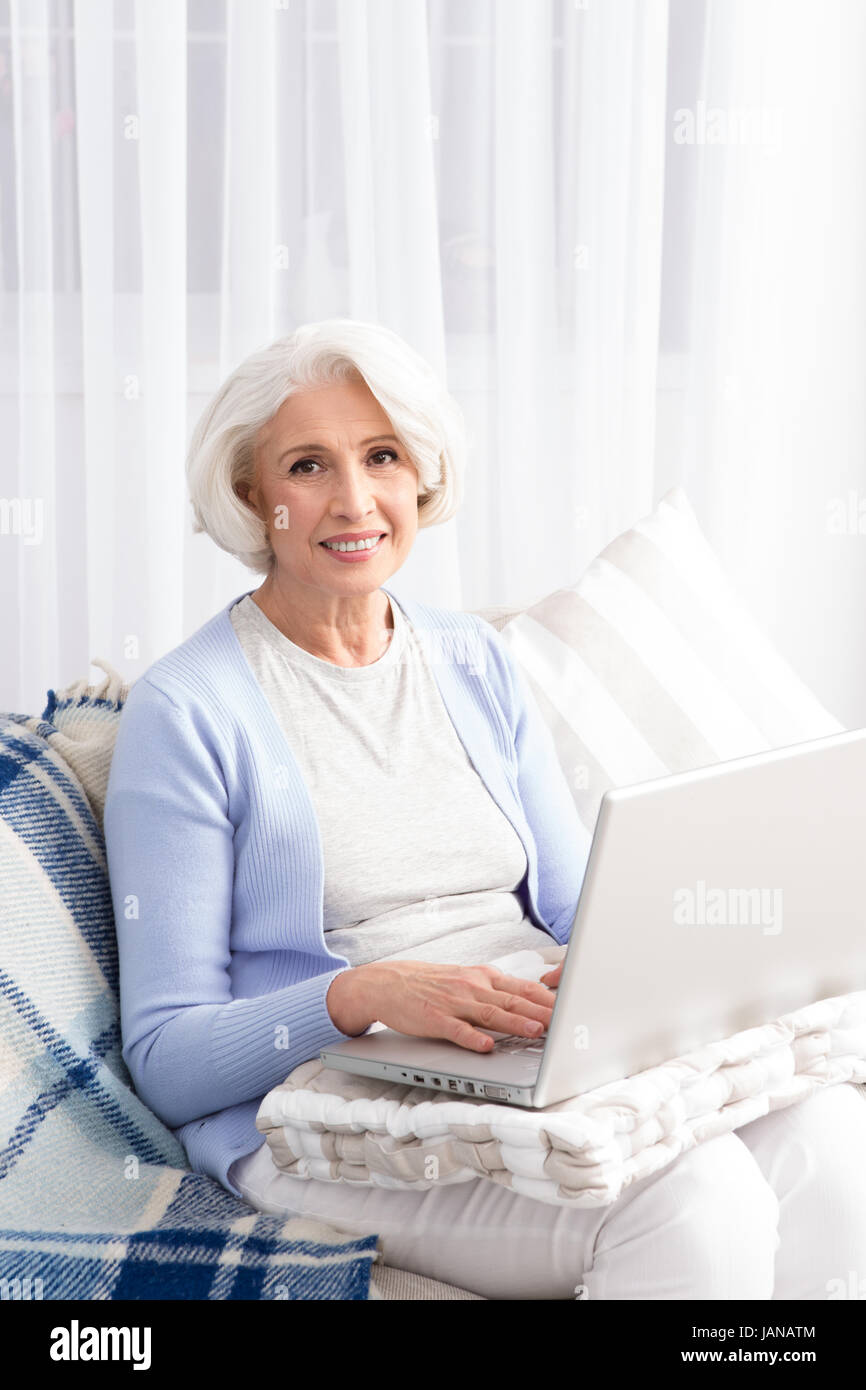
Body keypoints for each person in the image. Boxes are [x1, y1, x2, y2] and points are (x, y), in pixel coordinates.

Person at [104, 318, 866, 1300]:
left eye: (382, 455)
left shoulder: (472, 660)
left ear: (421, 473)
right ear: (253, 496)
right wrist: (363, 995)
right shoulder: (187, 711)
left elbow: (570, 903)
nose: (353, 499)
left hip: (513, 1064)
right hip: (315, 1110)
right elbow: (166, 1058)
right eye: (307, 465)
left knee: (829, 1141)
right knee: (694, 1198)